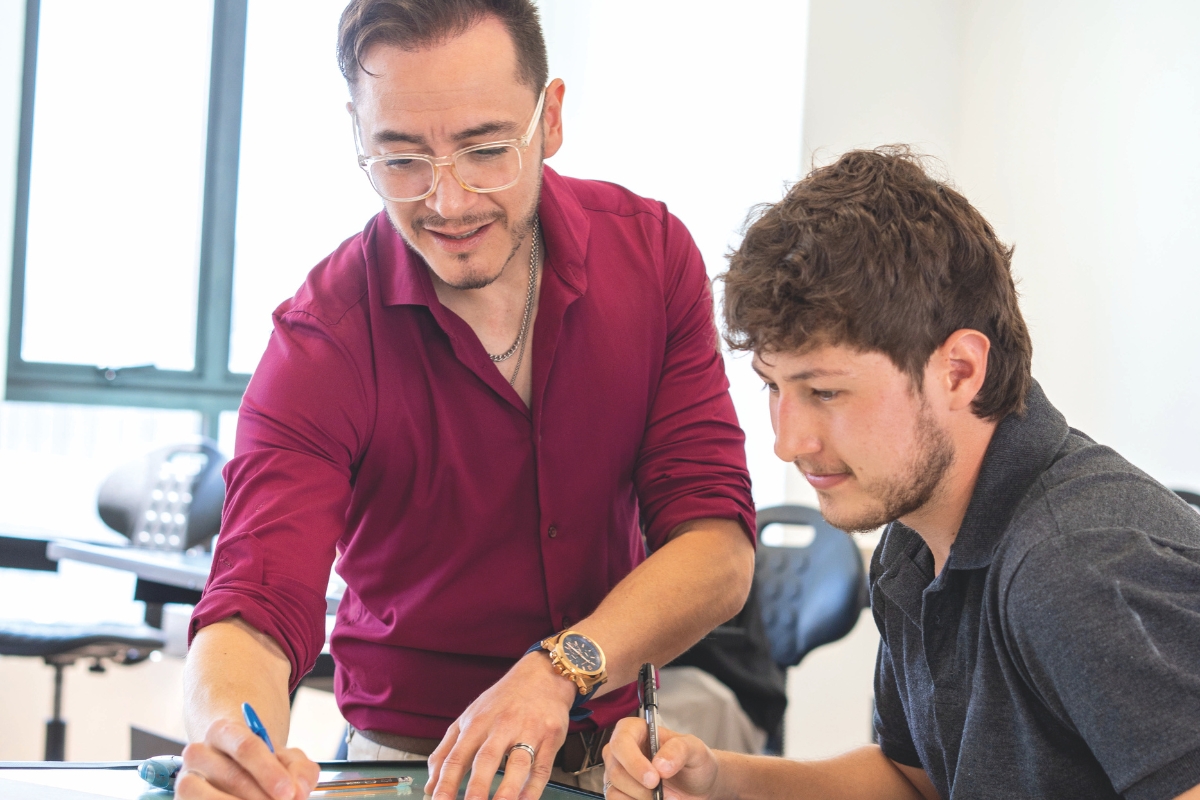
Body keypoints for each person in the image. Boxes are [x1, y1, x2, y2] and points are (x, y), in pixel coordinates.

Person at [177, 2, 758, 799]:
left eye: (485, 151)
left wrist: (558, 669)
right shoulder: (324, 338)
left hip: (611, 765)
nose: (447, 203)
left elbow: (717, 548)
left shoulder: (652, 257)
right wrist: (228, 740)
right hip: (401, 768)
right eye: (402, 159)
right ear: (357, 133)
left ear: (550, 119)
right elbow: (255, 598)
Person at [602, 147, 1200, 800]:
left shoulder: (1072, 567)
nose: (787, 442)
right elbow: (914, 783)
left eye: (825, 391)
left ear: (959, 372)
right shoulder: (914, 543)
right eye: (774, 386)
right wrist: (721, 781)